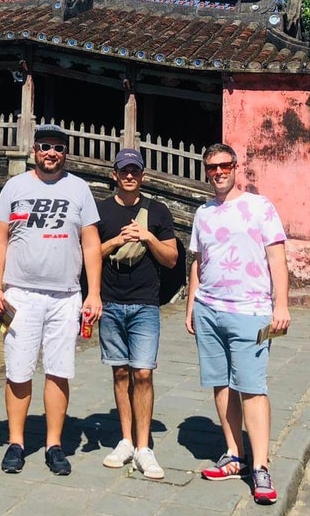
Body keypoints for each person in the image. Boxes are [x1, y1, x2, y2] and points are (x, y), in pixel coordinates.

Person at [0, 123, 102, 477]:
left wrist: (94, 292)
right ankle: (17, 442)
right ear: (34, 150)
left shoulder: (79, 189)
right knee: (18, 370)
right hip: (20, 292)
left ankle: (54, 443)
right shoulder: (15, 186)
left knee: (58, 370)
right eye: (44, 146)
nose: (51, 152)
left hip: (65, 294)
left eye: (57, 147)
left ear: (65, 153)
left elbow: (91, 243)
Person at [184, 143, 291, 505]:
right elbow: (198, 261)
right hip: (209, 308)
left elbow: (277, 258)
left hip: (251, 310)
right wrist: (190, 305)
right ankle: (234, 453)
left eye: (224, 165)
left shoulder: (260, 207)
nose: (218, 172)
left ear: (235, 166)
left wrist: (282, 305)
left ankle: (260, 465)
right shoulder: (203, 214)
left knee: (252, 386)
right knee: (220, 382)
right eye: (211, 167)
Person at [95, 148, 177, 479]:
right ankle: (126, 439)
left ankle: (144, 447)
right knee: (119, 372)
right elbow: (88, 254)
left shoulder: (157, 211)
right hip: (111, 301)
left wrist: (147, 236)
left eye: (135, 171)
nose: (129, 175)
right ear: (114, 175)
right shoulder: (100, 211)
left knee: (143, 373)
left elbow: (171, 258)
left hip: (144, 302)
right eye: (124, 170)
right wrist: (116, 240)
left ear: (143, 176)